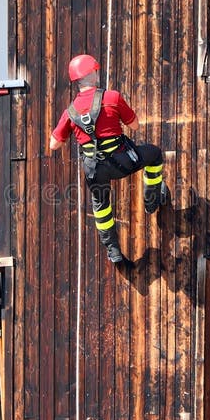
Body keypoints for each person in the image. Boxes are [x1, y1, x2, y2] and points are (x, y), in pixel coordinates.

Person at [50, 54, 166, 264]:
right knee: (155, 154)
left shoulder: (70, 112)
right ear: (92, 74)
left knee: (101, 205)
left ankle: (113, 250)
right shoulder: (112, 97)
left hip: (95, 171)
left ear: (77, 81)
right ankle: (152, 201)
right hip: (122, 162)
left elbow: (53, 144)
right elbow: (135, 125)